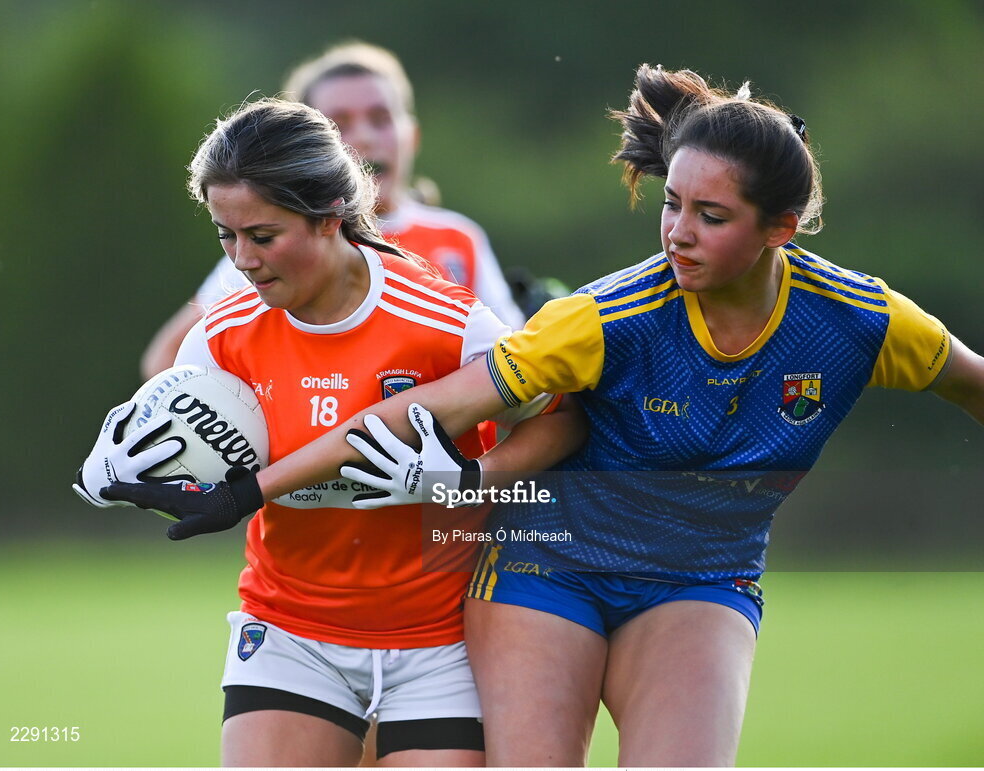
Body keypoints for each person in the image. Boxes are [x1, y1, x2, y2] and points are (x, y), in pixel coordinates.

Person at [101, 64, 984, 766]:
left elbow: (971, 381)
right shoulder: (603, 316)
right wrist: (252, 488)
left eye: (709, 215)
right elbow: (418, 410)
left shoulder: (860, 321)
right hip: (545, 563)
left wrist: (463, 478)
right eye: (671, 205)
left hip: (700, 576)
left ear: (782, 227)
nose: (675, 232)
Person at [75, 96, 573, 767]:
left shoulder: (444, 320)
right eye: (225, 234)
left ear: (329, 216)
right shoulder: (222, 336)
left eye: (263, 235)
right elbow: (191, 462)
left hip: (441, 641)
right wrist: (136, 477)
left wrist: (474, 478)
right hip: (289, 634)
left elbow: (562, 421)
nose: (242, 259)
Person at [140, 41, 524, 381]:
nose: (366, 138)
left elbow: (515, 371)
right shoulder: (264, 248)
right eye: (340, 122)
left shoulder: (458, 238)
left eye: (381, 118)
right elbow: (168, 362)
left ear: (413, 134)